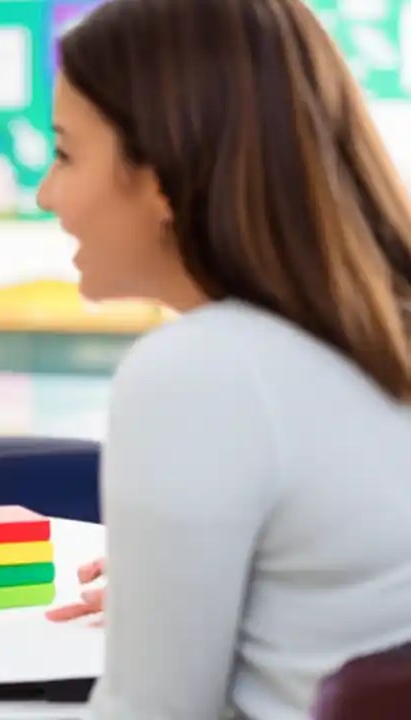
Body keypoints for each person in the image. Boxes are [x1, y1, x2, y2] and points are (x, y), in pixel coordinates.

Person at [35, 0, 411, 717]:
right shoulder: (379, 338)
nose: (47, 193)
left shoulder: (201, 371)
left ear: (161, 177)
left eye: (66, 152)